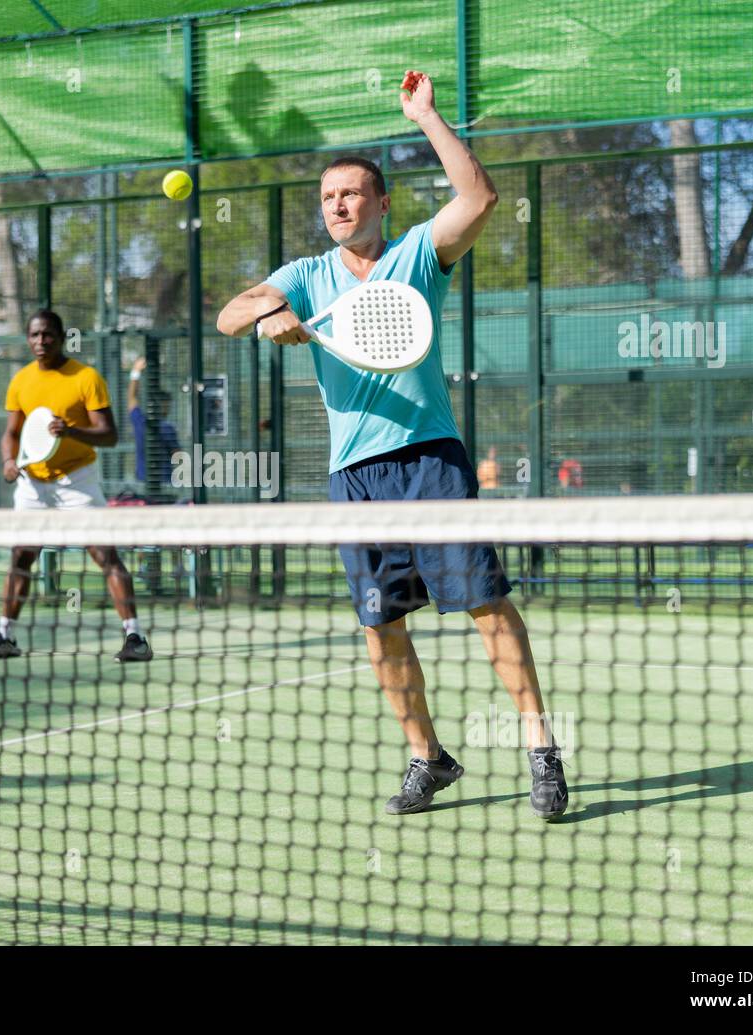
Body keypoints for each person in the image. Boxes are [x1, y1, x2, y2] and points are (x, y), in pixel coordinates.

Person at [215, 70, 568, 819]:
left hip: (431, 459)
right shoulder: (306, 275)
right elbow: (228, 315)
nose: (337, 206)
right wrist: (269, 307)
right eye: (326, 198)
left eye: (350, 194)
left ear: (380, 202)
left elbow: (479, 200)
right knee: (381, 627)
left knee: (486, 605)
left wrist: (427, 117)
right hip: (355, 477)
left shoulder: (416, 255)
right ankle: (427, 757)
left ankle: (541, 746)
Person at [0, 309, 153, 663]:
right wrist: (9, 462)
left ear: (61, 336)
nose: (40, 342)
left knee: (105, 555)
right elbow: (12, 433)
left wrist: (71, 430)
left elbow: (109, 433)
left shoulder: (86, 378)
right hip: (33, 484)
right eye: (34, 336)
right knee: (21, 557)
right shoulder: (21, 381)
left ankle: (135, 637)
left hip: (77, 480)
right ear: (28, 339)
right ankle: (4, 636)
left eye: (47, 335)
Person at [125, 356, 182, 494]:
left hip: (142, 483)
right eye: (166, 404)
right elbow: (178, 455)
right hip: (165, 485)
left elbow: (131, 399)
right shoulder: (167, 428)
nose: (168, 408)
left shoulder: (140, 422)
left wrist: (135, 372)